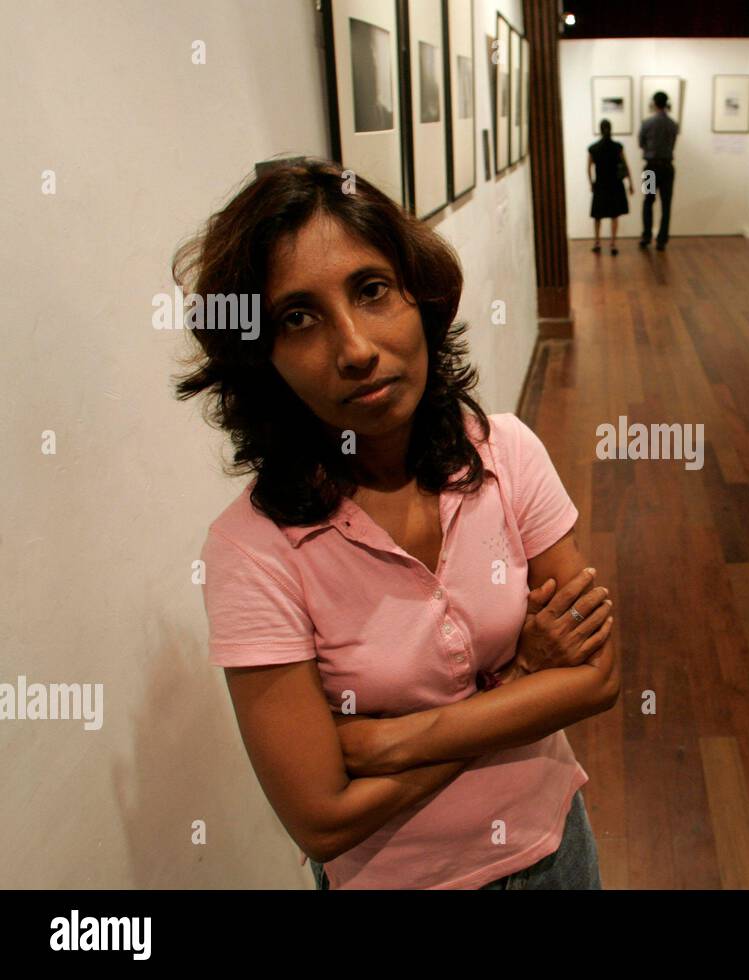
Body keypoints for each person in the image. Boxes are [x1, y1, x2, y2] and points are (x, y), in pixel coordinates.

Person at [172, 159, 620, 889]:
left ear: (421, 296)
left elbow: (597, 678)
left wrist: (383, 743)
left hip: (554, 850)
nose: (354, 349)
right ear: (263, 359)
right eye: (298, 318)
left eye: (372, 290)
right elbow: (322, 819)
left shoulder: (507, 452)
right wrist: (523, 678)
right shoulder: (251, 551)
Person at [637, 90, 679, 251]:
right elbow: (672, 145)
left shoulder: (647, 123)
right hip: (667, 167)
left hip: (651, 167)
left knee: (648, 201)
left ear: (654, 103)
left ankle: (646, 236)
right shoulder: (673, 124)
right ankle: (662, 239)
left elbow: (641, 143)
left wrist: (650, 149)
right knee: (666, 204)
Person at [587, 119, 634, 255]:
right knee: (614, 214)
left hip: (600, 184)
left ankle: (597, 242)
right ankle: (613, 243)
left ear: (600, 130)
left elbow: (588, 168)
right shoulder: (617, 147)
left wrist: (591, 183)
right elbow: (626, 166)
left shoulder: (593, 148)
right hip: (615, 184)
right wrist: (630, 184)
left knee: (597, 215)